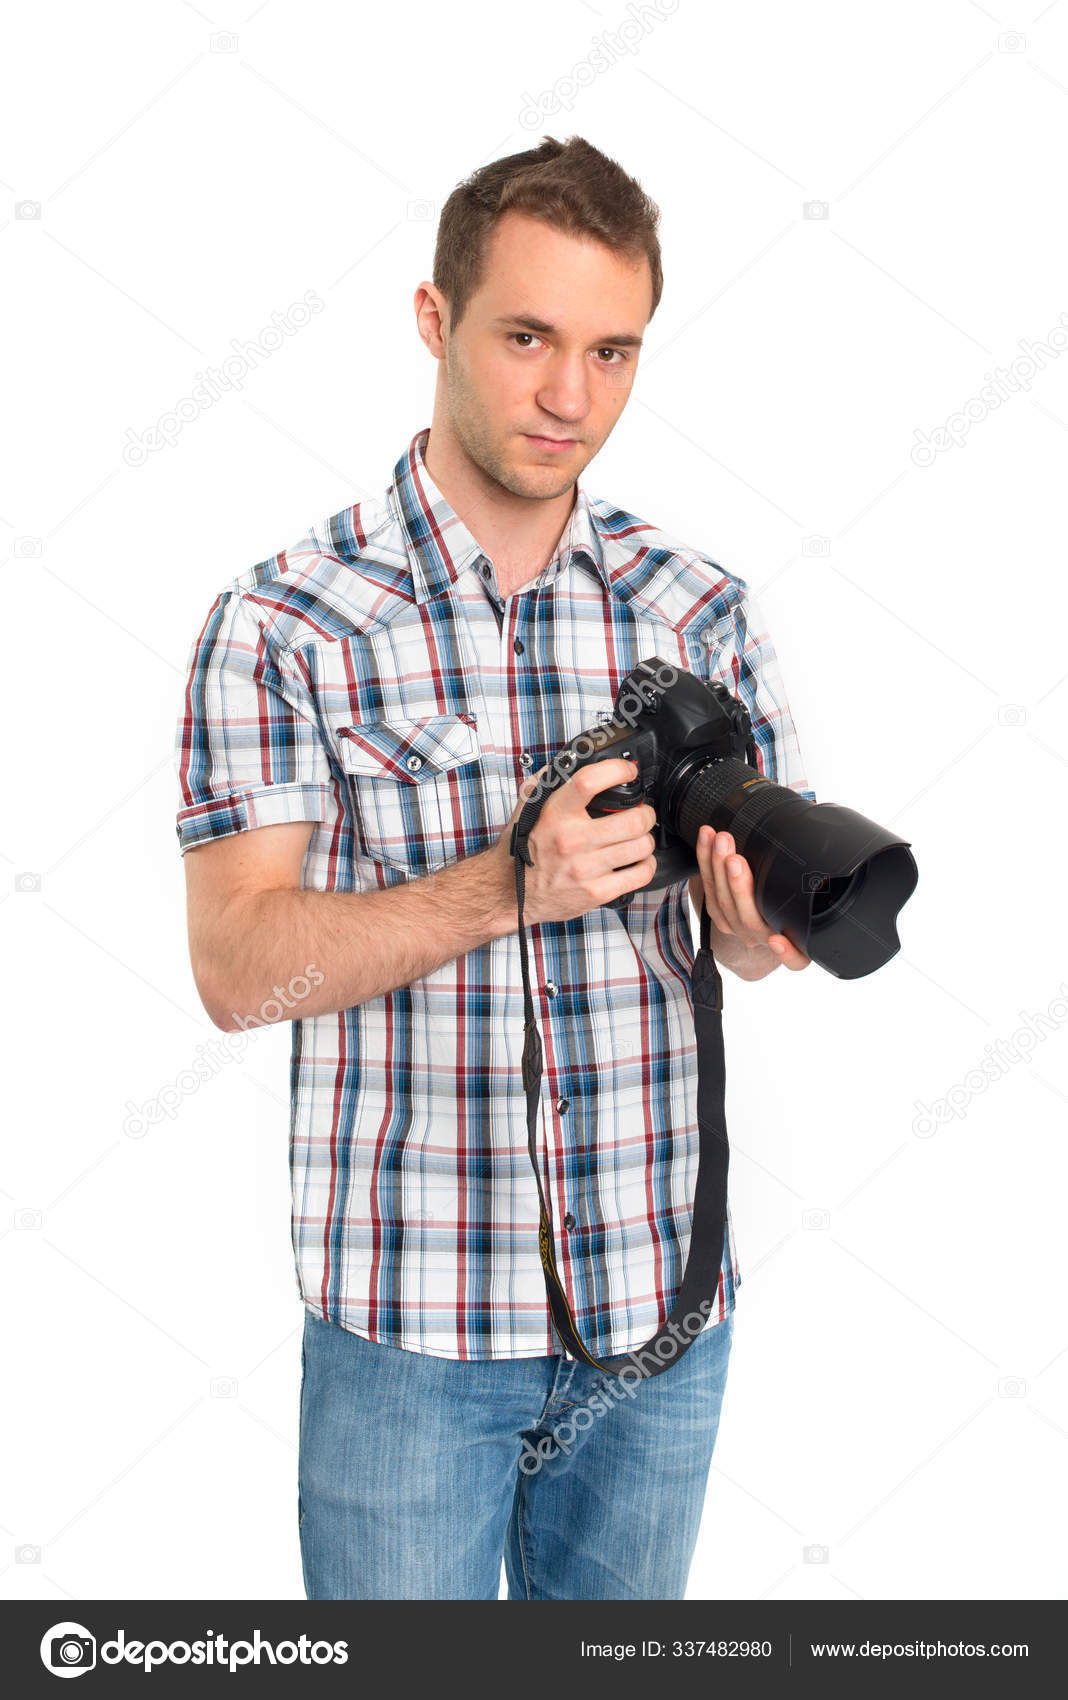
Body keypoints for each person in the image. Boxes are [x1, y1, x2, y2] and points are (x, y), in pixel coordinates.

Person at [173, 135, 815, 1601]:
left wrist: (759, 928)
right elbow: (240, 969)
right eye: (527, 337)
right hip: (413, 1333)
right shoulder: (286, 625)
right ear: (434, 319)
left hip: (660, 1317)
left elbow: (757, 945)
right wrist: (505, 884)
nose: (569, 398)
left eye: (613, 350)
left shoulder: (698, 607)